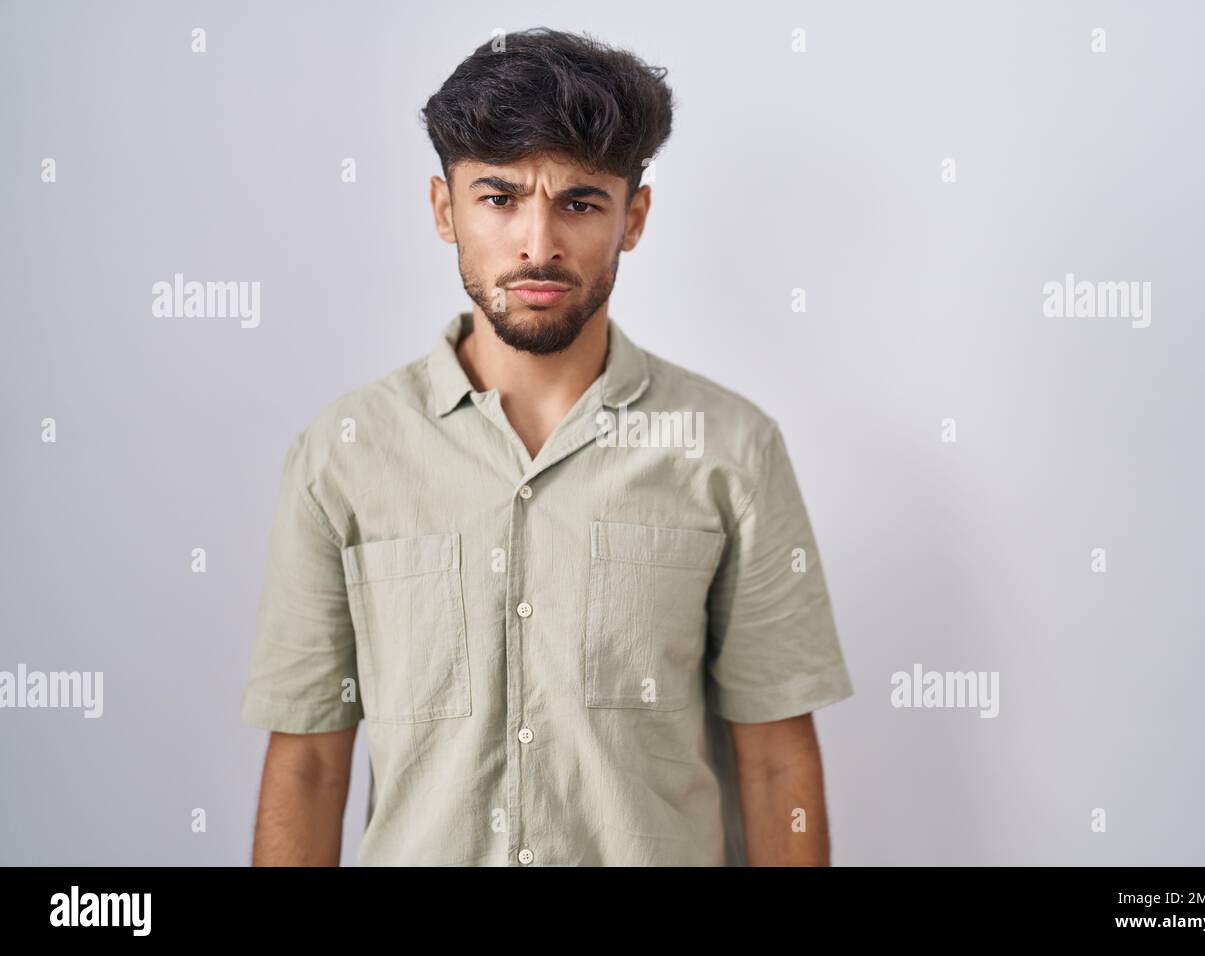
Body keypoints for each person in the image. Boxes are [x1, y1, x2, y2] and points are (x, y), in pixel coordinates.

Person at [240, 26, 854, 866]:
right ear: (442, 207)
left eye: (580, 202)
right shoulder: (343, 455)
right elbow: (308, 765)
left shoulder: (730, 451)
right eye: (498, 198)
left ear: (633, 217)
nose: (538, 244)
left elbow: (777, 758)